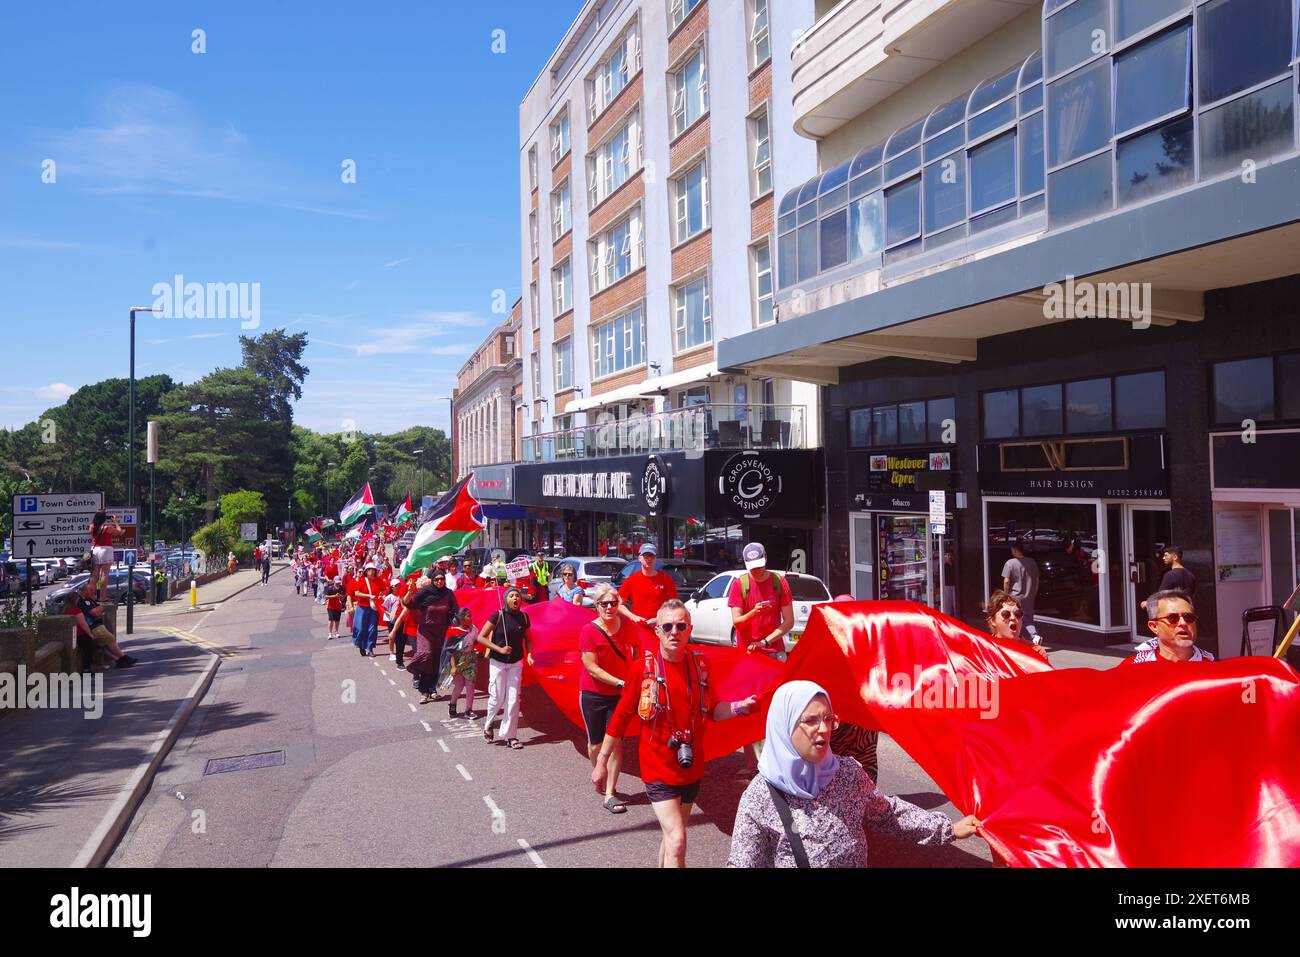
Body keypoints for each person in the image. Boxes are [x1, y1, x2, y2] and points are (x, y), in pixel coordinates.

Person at [728, 681, 982, 867]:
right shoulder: (760, 797)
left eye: (828, 719)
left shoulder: (847, 773)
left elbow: (888, 813)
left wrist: (948, 829)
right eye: (811, 721)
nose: (824, 729)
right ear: (784, 726)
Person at [593, 600, 759, 867]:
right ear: (657, 630)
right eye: (667, 626)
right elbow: (621, 717)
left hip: (690, 765)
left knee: (672, 838)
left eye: (681, 626)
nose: (674, 632)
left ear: (689, 629)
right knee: (678, 840)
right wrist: (601, 761)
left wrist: (741, 707)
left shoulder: (700, 665)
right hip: (657, 767)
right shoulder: (642, 669)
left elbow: (714, 710)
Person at [579, 584, 633, 813]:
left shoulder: (627, 626)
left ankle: (611, 793)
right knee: (595, 744)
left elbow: (638, 653)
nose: (610, 607)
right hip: (593, 694)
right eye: (605, 603)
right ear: (597, 606)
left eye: (614, 603)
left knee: (617, 745)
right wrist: (621, 682)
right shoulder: (589, 631)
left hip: (619, 696)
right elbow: (592, 668)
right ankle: (598, 770)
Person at [477, 587, 532, 749]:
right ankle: (488, 725)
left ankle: (511, 736)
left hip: (516, 663)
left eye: (517, 596)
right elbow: (481, 637)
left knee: (514, 699)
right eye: (512, 596)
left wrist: (529, 654)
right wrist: (499, 649)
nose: (515, 598)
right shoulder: (498, 615)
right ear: (507, 599)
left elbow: (528, 639)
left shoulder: (524, 617)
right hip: (498, 662)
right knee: (497, 698)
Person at [729, 542, 794, 659]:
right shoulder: (739, 584)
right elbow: (737, 623)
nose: (757, 570)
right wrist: (754, 612)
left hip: (774, 652)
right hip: (748, 653)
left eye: (760, 565)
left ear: (766, 558)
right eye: (753, 567)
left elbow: (789, 621)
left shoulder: (779, 582)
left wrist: (765, 642)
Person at [405, 569, 459, 702]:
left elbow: (455, 610)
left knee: (436, 660)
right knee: (427, 655)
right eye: (437, 580)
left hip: (441, 632)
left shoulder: (448, 593)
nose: (440, 582)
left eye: (442, 579)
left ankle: (432, 689)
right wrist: (410, 591)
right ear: (433, 581)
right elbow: (409, 604)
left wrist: (457, 621)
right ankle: (422, 687)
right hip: (425, 631)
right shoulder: (425, 592)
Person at [1122, 590, 1215, 664]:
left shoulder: (1212, 669)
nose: (1183, 623)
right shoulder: (1132, 669)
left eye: (1188, 617)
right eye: (1172, 618)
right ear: (1154, 626)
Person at [66, 584, 137, 669]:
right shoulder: (81, 602)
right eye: (91, 590)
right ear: (85, 591)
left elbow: (99, 610)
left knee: (103, 645)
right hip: (93, 627)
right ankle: (123, 657)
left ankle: (119, 660)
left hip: (97, 625)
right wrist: (90, 632)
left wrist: (98, 609)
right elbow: (93, 614)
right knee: (109, 638)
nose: (93, 592)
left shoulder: (91, 600)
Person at [617, 543, 678, 626]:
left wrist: (659, 619)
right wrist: (633, 617)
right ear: (639, 558)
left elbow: (674, 606)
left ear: (655, 558)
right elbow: (619, 604)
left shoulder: (666, 579)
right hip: (639, 628)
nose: (649, 559)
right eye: (645, 556)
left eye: (652, 556)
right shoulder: (631, 579)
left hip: (661, 628)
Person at [986, 589, 1049, 663]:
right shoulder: (983, 649)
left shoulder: (1037, 652)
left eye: (1018, 614)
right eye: (1006, 614)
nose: (1013, 618)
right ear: (993, 621)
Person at [440, 607, 480, 719]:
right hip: (457, 661)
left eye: (471, 615)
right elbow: (450, 651)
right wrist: (453, 667)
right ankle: (452, 704)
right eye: (468, 616)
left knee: (471, 686)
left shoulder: (474, 629)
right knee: (459, 685)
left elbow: (476, 641)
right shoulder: (452, 631)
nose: (471, 618)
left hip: (470, 660)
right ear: (461, 619)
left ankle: (469, 710)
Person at [1000, 538, 1041, 642]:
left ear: (1014, 550)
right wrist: (1032, 594)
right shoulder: (1032, 562)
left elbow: (1006, 581)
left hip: (1014, 597)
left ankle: (1016, 641)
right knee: (1027, 620)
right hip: (1029, 598)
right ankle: (1034, 636)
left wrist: (1006, 595)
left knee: (1013, 620)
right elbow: (1036, 581)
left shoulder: (1010, 563)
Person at [348, 563, 383, 657]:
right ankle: (361, 645)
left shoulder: (378, 580)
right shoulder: (362, 580)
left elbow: (384, 590)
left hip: (374, 608)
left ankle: (370, 648)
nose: (372, 571)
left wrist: (381, 595)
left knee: (372, 629)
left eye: (373, 569)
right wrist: (369, 596)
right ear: (366, 571)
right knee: (360, 628)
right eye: (370, 569)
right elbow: (357, 593)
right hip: (362, 607)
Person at [88, 511, 122, 601]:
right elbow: (119, 532)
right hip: (106, 549)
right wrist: (115, 521)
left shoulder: (92, 527)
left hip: (95, 550)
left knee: (95, 575)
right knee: (104, 574)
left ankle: (91, 595)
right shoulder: (107, 528)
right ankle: (102, 596)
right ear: (104, 518)